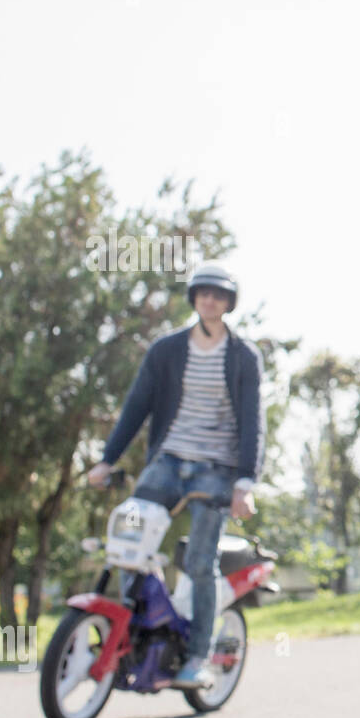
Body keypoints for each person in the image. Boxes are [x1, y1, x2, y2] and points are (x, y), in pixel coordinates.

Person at [88, 265, 265, 689]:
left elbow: (253, 420)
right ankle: (135, 632)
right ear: (194, 299)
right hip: (167, 462)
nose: (210, 301)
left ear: (228, 304)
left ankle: (196, 659)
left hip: (217, 469)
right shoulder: (166, 350)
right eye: (203, 294)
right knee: (129, 546)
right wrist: (107, 459)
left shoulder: (243, 356)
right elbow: (137, 406)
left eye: (219, 296)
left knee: (201, 564)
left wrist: (245, 482)